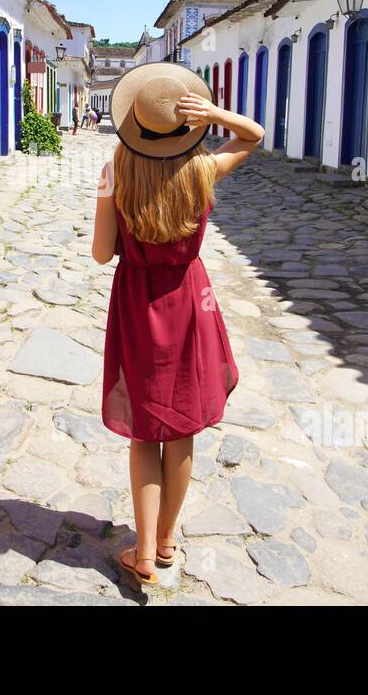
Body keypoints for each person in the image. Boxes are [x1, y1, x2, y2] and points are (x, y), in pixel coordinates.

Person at [91, 63, 264, 586]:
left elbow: (102, 254)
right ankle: (166, 541)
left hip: (137, 300)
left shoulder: (115, 172)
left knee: (145, 431)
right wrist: (213, 115)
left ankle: (142, 553)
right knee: (182, 427)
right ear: (184, 125)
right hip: (190, 300)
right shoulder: (202, 170)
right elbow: (253, 136)